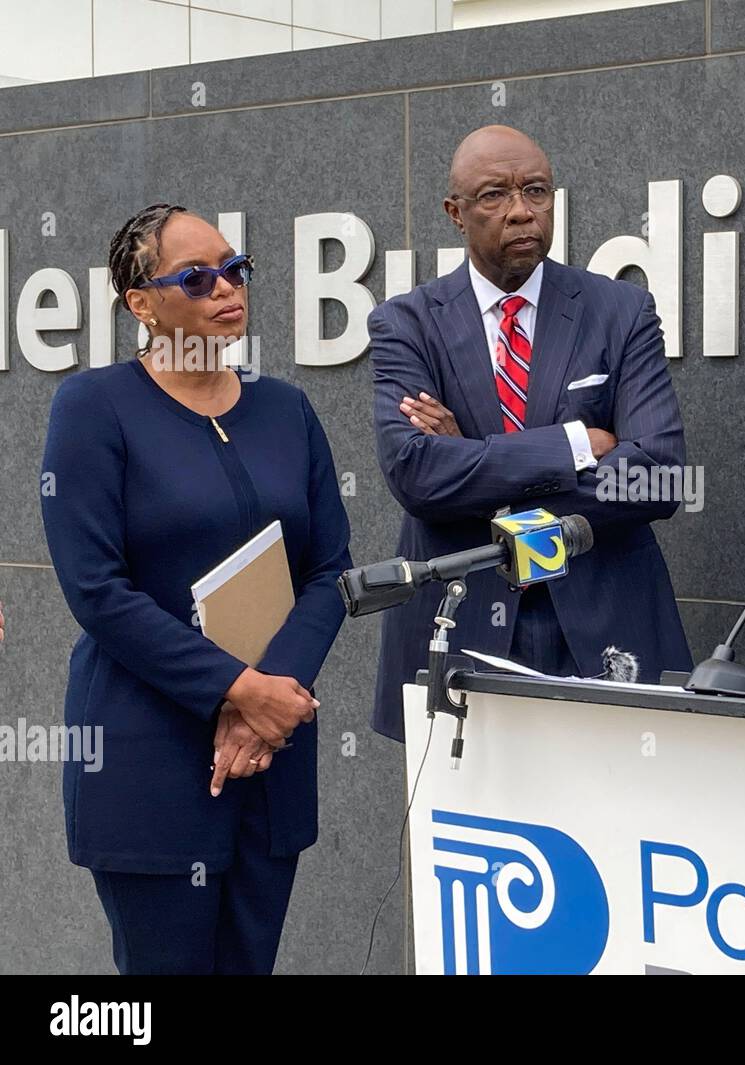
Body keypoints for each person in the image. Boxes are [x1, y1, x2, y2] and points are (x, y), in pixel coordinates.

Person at [40, 204, 353, 974]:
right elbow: (96, 590)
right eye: (197, 276)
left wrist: (272, 696)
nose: (226, 288)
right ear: (141, 303)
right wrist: (235, 689)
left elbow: (329, 567)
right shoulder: (91, 408)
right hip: (149, 756)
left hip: (272, 752)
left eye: (234, 267)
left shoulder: (286, 407)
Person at [368, 125, 692, 741]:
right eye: (494, 196)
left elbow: (657, 476)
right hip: (459, 622)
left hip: (601, 618)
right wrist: (575, 445)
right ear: (454, 213)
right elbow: (415, 473)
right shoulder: (405, 324)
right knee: (466, 832)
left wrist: (469, 456)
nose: (521, 211)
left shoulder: (621, 311)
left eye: (536, 191)